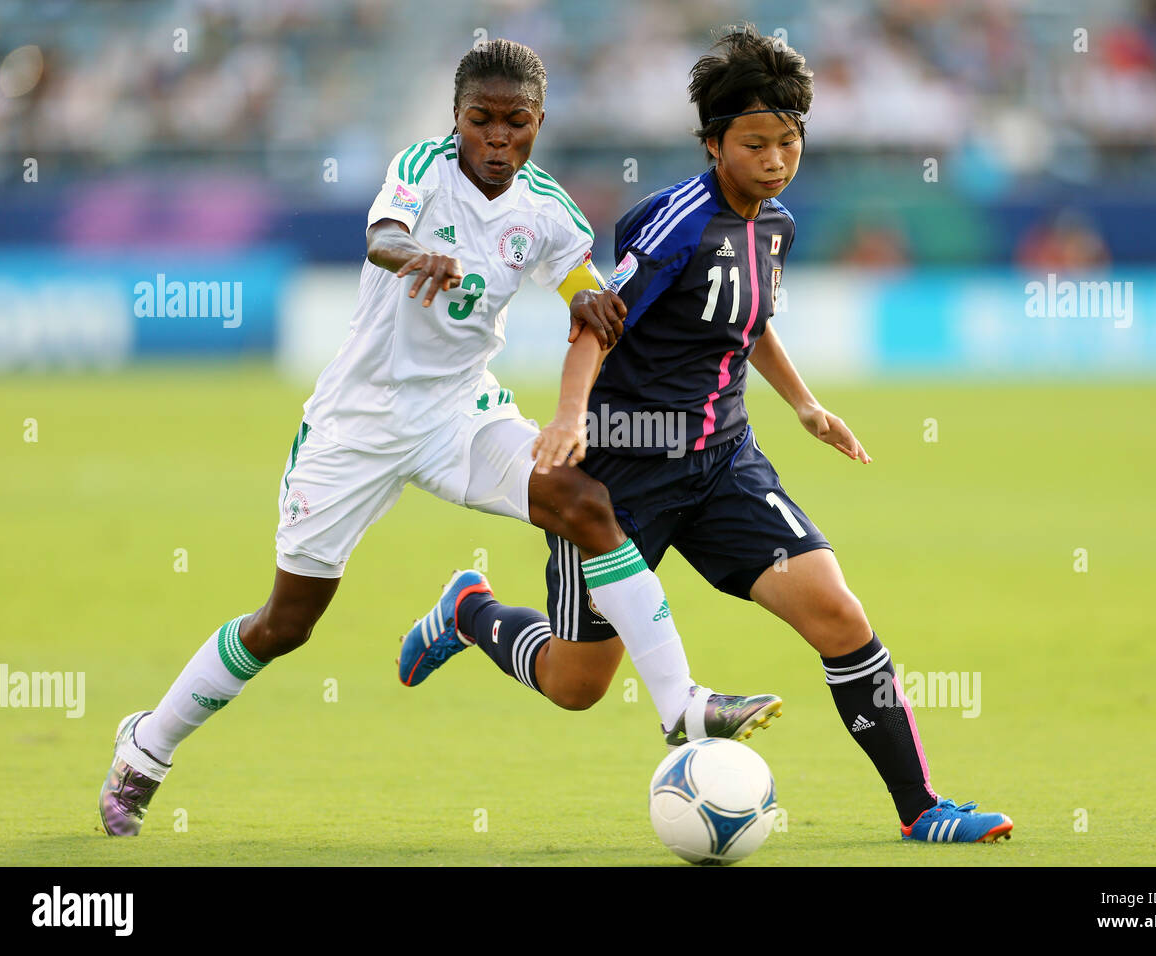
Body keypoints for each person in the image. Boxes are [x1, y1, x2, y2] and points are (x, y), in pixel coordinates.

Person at [98, 39, 780, 837]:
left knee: (587, 504)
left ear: (538, 123)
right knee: (287, 622)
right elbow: (380, 238)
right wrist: (414, 254)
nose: (497, 139)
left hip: (460, 412)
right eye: (480, 120)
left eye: (515, 123)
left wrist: (592, 303)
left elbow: (580, 285)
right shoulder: (421, 169)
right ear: (455, 120)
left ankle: (682, 704)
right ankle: (146, 745)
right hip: (358, 424)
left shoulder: (547, 209)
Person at [412, 26, 1012, 843]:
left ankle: (924, 810)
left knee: (840, 616)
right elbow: (595, 326)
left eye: (788, 142)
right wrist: (564, 421)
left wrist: (804, 405)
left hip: (726, 462)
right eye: (754, 143)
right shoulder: (674, 223)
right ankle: (471, 611)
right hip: (623, 475)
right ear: (713, 144)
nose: (774, 160)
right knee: (577, 683)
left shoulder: (777, 226)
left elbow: (748, 321)